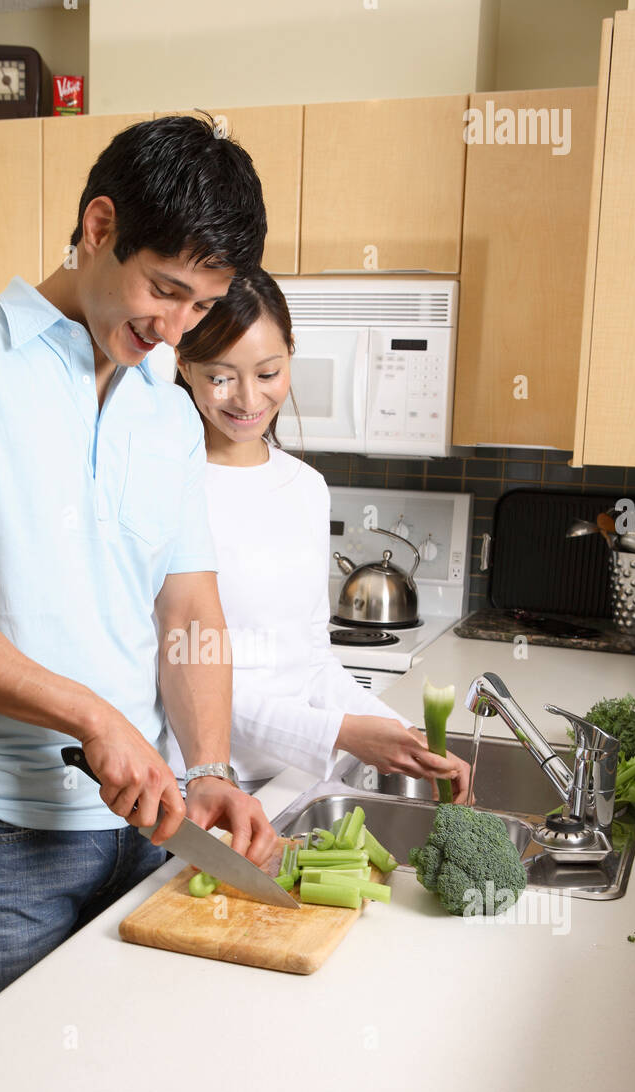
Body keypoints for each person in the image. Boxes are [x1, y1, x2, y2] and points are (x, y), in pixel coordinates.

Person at [0, 116, 279, 1041]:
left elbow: (188, 607)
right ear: (96, 225)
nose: (174, 328)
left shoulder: (166, 412)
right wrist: (94, 716)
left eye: (200, 307)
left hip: (148, 826)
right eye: (164, 289)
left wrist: (206, 766)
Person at [170, 269, 471, 799]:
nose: (247, 400)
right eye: (221, 376)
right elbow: (178, 675)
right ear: (183, 363)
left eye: (268, 372)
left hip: (291, 783)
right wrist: (341, 734)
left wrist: (408, 736)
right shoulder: (163, 484)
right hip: (192, 783)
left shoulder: (305, 487)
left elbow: (311, 661)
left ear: (291, 352)